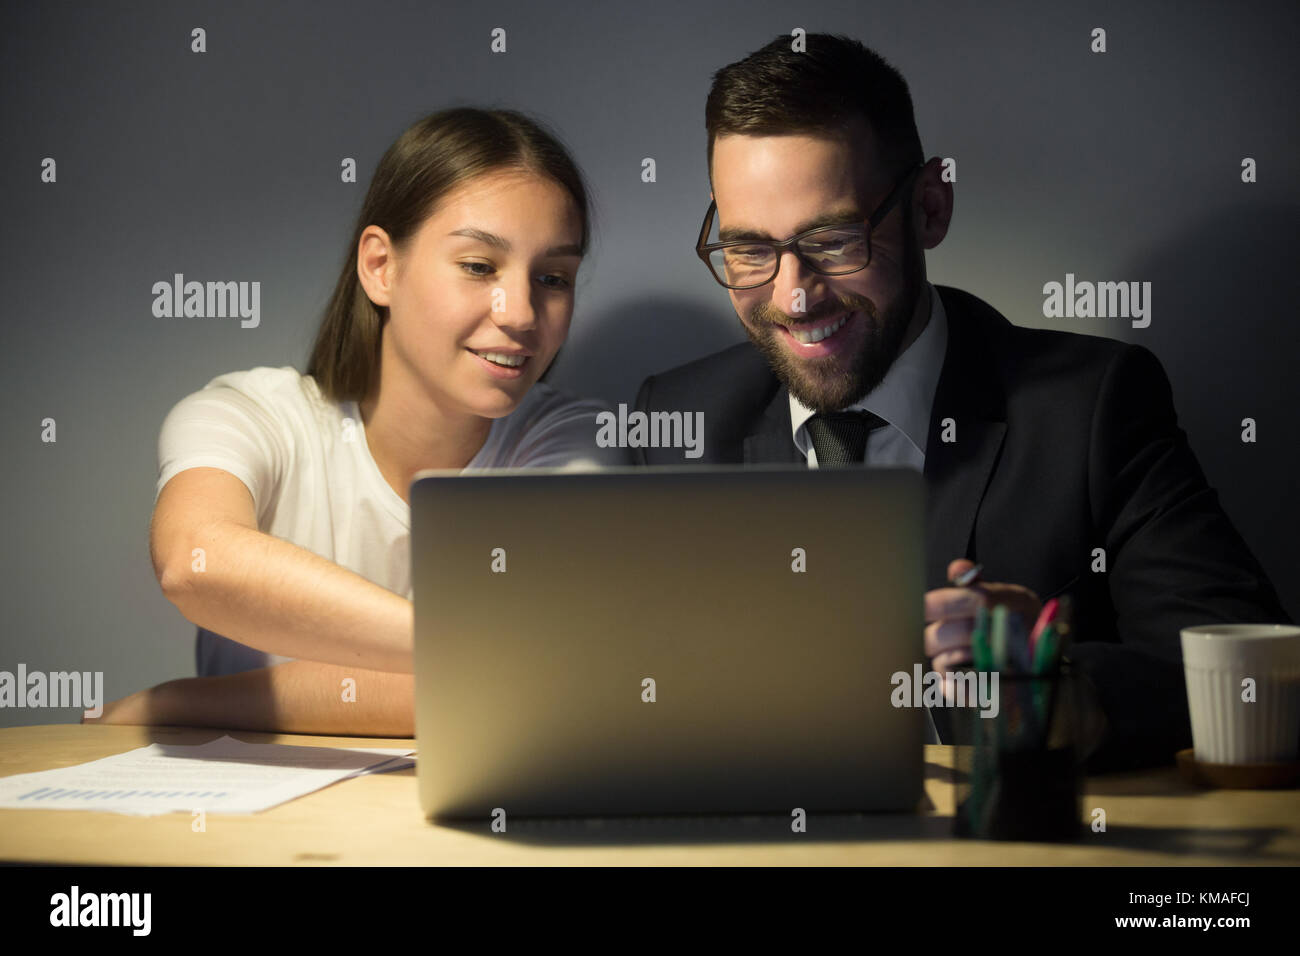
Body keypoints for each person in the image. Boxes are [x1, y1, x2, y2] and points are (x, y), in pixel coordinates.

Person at [633, 34, 1291, 771]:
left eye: (835, 239)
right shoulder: (676, 419)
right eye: (749, 249)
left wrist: (1062, 685)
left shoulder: (1093, 407)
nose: (793, 295)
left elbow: (1250, 677)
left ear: (930, 207)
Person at [90, 107, 629, 735]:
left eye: (553, 277)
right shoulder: (252, 414)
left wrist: (178, 703)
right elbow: (194, 562)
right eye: (479, 266)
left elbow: (526, 685)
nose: (520, 313)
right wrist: (472, 649)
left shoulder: (574, 441)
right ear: (381, 267)